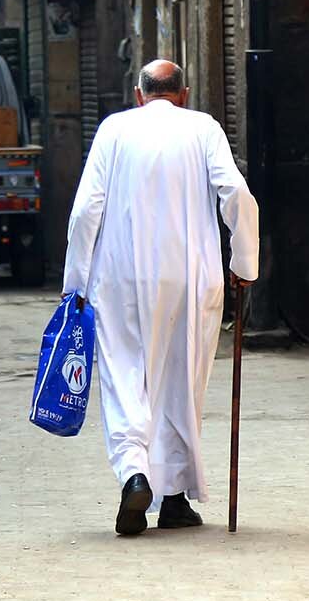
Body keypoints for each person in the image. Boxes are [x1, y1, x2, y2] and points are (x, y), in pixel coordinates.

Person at [62, 60, 260, 536]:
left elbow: (86, 209)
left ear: (139, 94)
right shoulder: (203, 127)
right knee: (182, 382)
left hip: (120, 276)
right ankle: (173, 499)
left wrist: (76, 284)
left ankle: (135, 474)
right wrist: (244, 264)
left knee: (125, 375)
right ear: (184, 94)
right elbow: (236, 192)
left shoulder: (114, 129)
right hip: (191, 275)